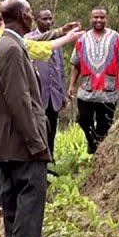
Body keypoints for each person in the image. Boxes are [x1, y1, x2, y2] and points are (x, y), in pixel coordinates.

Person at [0, 3, 80, 211]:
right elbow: (36, 47)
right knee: (5, 148)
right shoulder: (7, 41)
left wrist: (58, 31)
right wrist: (66, 37)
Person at [0, 0, 51, 237]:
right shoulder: (12, 48)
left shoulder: (5, 44)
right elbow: (19, 100)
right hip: (21, 140)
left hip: (8, 140)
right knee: (29, 196)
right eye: (30, 13)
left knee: (13, 197)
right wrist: (36, 141)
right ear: (24, 16)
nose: (32, 17)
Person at [68, 7, 119, 155]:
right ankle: (92, 144)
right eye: (96, 17)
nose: (99, 20)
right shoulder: (82, 39)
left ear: (106, 19)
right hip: (87, 90)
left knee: (104, 126)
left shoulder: (115, 37)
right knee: (84, 120)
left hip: (109, 91)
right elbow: (76, 65)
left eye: (102, 17)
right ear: (91, 19)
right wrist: (71, 85)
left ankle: (98, 155)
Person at [25, 9, 67, 161]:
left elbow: (60, 68)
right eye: (44, 19)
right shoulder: (29, 39)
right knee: (37, 128)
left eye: (50, 19)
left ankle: (50, 159)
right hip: (37, 95)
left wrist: (63, 94)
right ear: (36, 20)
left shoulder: (57, 42)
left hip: (53, 95)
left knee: (52, 128)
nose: (48, 22)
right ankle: (37, 158)